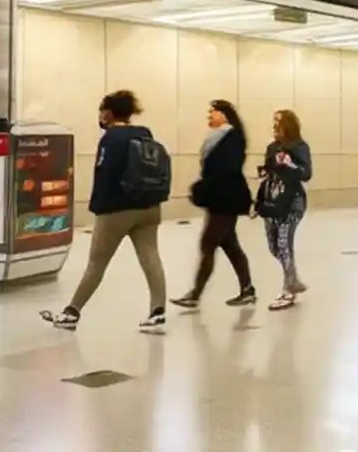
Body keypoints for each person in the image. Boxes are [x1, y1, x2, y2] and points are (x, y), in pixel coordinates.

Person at [42, 90, 169, 334]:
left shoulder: (111, 138)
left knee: (96, 263)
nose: (100, 115)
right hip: (150, 206)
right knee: (151, 257)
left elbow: (105, 175)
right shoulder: (145, 135)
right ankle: (157, 312)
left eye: (102, 110)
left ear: (109, 112)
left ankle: (72, 312)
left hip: (117, 209)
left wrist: (97, 208)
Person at [171, 100, 257, 309]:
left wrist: (203, 187)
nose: (209, 115)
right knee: (229, 244)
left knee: (208, 243)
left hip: (226, 199)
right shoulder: (217, 137)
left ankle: (195, 295)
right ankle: (247, 290)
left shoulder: (233, 137)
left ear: (225, 115)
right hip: (219, 198)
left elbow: (227, 170)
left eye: (213, 112)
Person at [260, 109, 312, 311]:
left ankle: (288, 291)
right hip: (273, 200)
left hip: (292, 202)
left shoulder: (299, 147)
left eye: (278, 124)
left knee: (283, 243)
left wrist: (291, 165)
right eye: (273, 124)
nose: (275, 128)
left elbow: (306, 174)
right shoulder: (272, 147)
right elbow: (269, 170)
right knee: (274, 246)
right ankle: (293, 279)